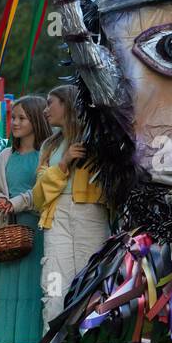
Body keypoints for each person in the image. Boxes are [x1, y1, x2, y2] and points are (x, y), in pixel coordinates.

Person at [34, 84, 110, 330]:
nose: (46, 110)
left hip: (91, 216)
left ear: (67, 104)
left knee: (93, 289)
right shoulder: (50, 146)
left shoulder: (98, 138)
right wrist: (64, 163)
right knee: (54, 288)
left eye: (50, 103)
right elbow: (39, 195)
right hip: (55, 220)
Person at [0, 95, 50, 343]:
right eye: (13, 117)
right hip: (8, 233)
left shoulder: (46, 154)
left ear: (36, 119)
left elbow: (43, 192)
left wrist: (19, 202)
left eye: (22, 117)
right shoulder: (5, 155)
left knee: (33, 293)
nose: (15, 122)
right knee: (7, 291)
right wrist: (0, 200)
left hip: (36, 231)